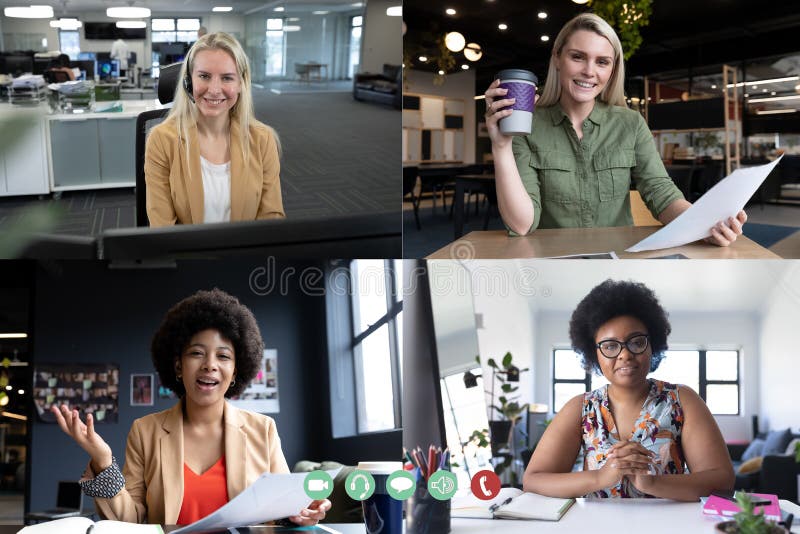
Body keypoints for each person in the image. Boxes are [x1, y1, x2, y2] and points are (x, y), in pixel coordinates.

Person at [52, 289, 329, 526]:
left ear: (235, 372)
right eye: (197, 353)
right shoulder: (145, 431)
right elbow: (131, 522)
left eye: (223, 356)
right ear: (177, 366)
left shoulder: (263, 429)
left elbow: (282, 511)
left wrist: (300, 514)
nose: (209, 364)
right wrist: (102, 461)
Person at [483, 13, 747, 246]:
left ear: (612, 69)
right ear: (557, 59)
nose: (589, 71)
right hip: (553, 264)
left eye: (602, 62)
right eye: (577, 57)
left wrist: (704, 226)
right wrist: (501, 145)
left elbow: (662, 194)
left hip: (617, 261)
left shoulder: (630, 123)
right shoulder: (528, 125)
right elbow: (521, 225)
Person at [523, 279, 734, 501]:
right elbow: (533, 480)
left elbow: (722, 480)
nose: (625, 354)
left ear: (652, 344)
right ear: (594, 353)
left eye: (636, 341)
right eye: (610, 346)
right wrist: (600, 477)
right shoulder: (581, 407)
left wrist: (652, 482)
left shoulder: (682, 400)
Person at [144, 32, 285, 226]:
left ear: (241, 84)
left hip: (246, 254)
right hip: (187, 254)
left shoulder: (262, 139)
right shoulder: (161, 140)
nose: (214, 89)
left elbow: (272, 220)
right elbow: (162, 228)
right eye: (204, 76)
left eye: (227, 78)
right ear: (188, 82)